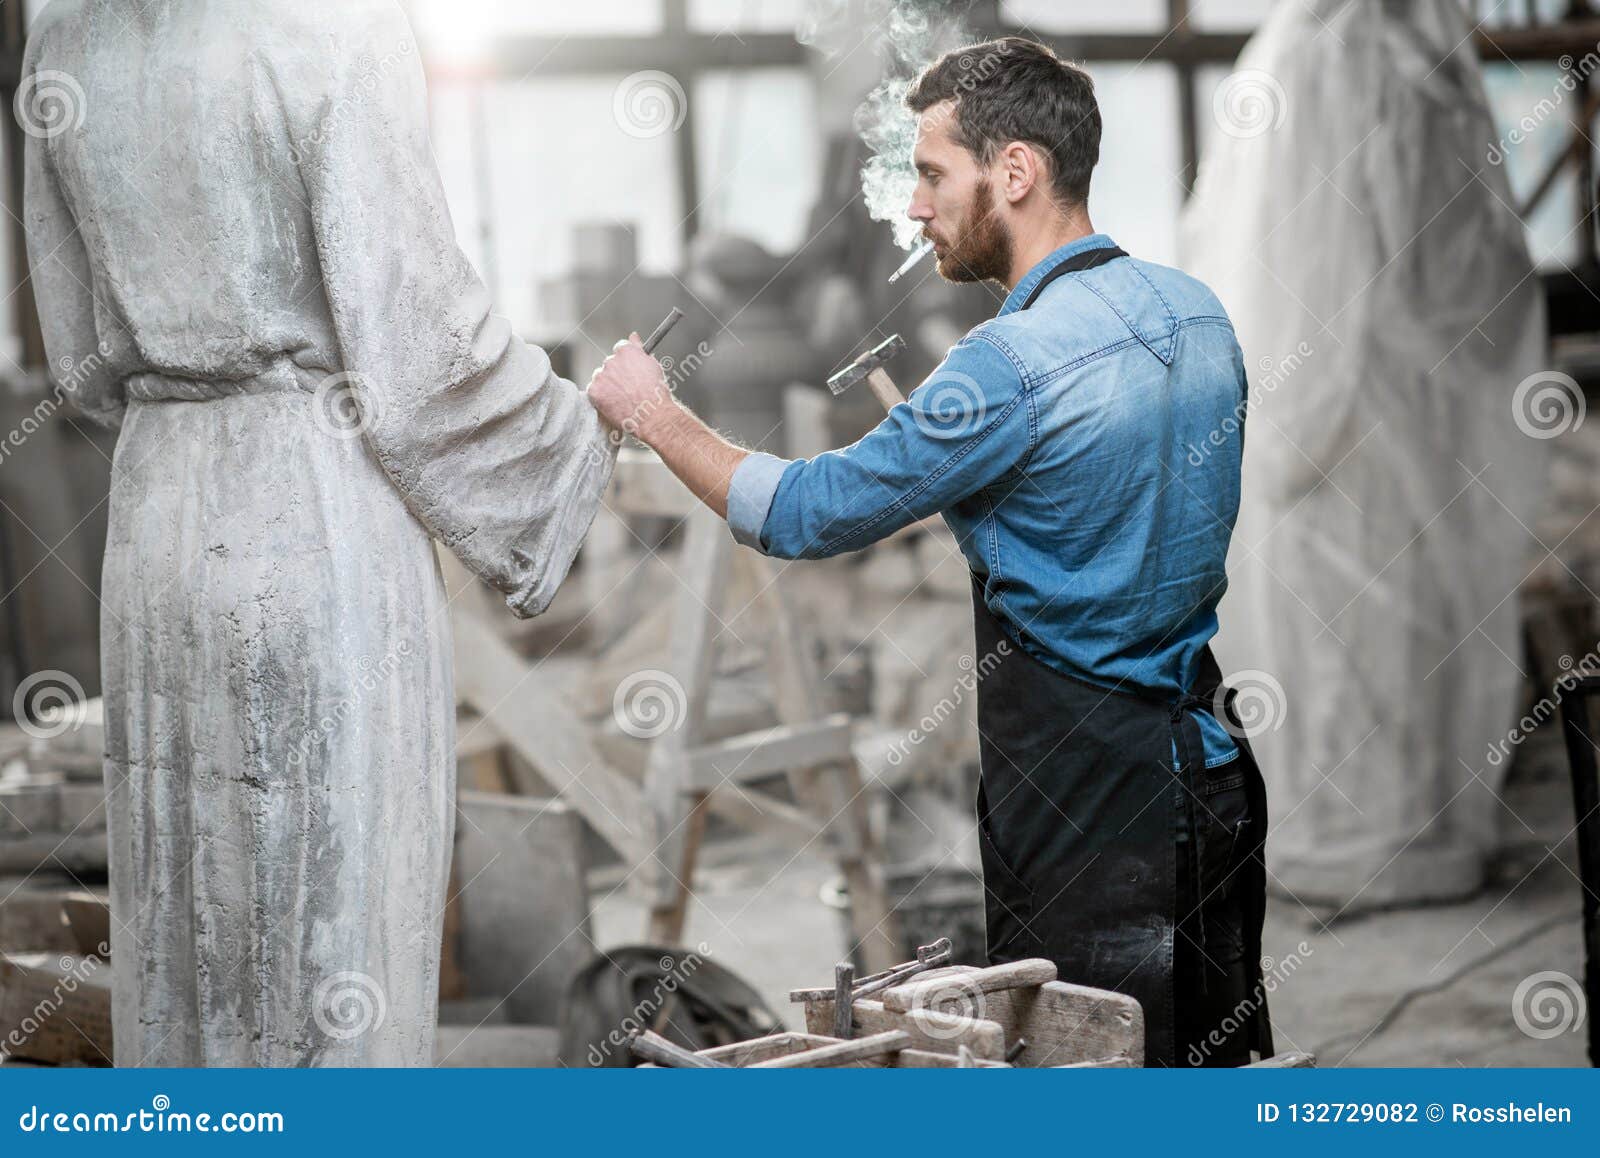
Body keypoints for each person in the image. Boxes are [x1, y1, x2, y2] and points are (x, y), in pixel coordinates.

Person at [588, 36, 1273, 1066]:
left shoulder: (1004, 363)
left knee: (1084, 1071)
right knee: (1217, 1062)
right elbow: (1104, 509)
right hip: (1210, 766)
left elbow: (804, 512)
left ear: (1015, 172)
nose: (914, 207)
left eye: (930, 173)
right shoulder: (1197, 311)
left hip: (1084, 802)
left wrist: (652, 410)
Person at [21, 0, 614, 1065]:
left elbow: (72, 349)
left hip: (156, 511)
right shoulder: (337, 25)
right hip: (311, 505)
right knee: (334, 931)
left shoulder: (63, 37)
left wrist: (183, 394)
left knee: (181, 932)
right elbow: (415, 339)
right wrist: (570, 431)